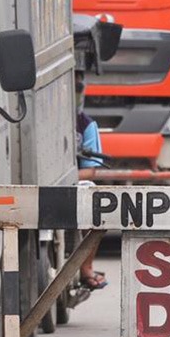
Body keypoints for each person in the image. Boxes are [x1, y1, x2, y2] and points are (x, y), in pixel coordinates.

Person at [74, 72, 107, 290]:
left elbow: (90, 171)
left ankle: (86, 267)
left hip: (74, 182)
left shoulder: (86, 125)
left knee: (95, 209)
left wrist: (68, 177)